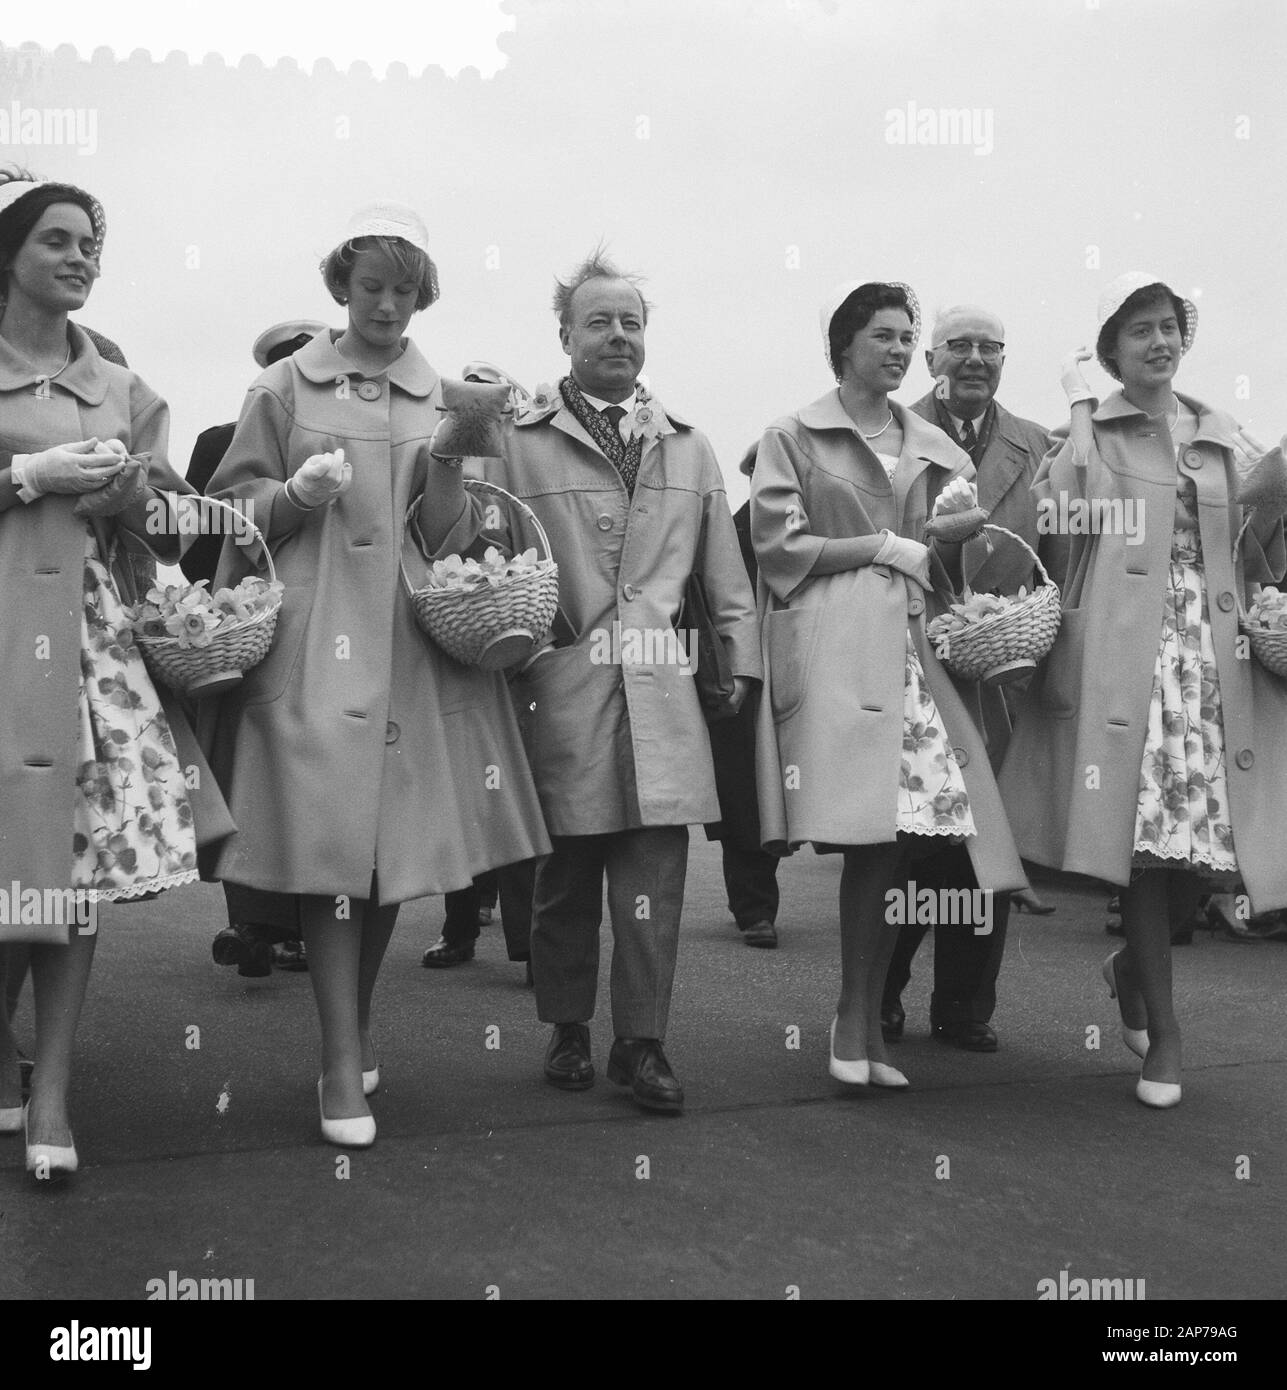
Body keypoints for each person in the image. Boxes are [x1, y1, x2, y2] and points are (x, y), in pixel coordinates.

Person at [203, 203, 550, 1147]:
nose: (388, 305)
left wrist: (450, 453)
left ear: (422, 294)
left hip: (406, 644)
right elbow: (231, 513)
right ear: (341, 287)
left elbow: (446, 536)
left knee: (387, 863)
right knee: (331, 858)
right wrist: (289, 495)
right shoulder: (282, 385)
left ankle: (347, 1046)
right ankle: (339, 1058)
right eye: (372, 287)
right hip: (314, 642)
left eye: (405, 289)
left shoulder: (447, 394)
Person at [998, 272, 1287, 1108]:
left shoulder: (1221, 435)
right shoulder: (1089, 434)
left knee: (1212, 845)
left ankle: (1131, 966)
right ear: (1111, 352)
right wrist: (1084, 411)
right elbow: (1059, 521)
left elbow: (1256, 539)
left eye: (1167, 327)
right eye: (1139, 332)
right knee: (1150, 854)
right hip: (1131, 654)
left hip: (1216, 654)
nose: (1158, 342)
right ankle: (1165, 1036)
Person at [481, 250, 761, 1113]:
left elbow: (725, 569)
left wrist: (739, 657)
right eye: (596, 321)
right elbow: (482, 556)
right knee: (565, 874)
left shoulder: (688, 441)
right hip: (557, 681)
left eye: (629, 322)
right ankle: (567, 1027)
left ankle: (641, 1044)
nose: (615, 336)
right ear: (564, 335)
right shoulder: (515, 438)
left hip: (661, 687)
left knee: (654, 877)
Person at [0, 170, 233, 1177]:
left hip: (87, 647)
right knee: (13, 858)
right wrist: (20, 476)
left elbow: (165, 522)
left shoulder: (122, 386)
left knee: (75, 871)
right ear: (9, 254)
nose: (80, 258)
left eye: (91, 244)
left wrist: (147, 499)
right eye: (57, 240)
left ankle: (51, 1089)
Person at [752, 280, 1027, 1089]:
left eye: (908, 336)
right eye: (883, 335)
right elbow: (778, 546)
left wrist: (947, 539)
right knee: (864, 842)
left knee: (897, 848)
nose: (901, 349)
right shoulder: (791, 433)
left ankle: (860, 1023)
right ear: (843, 346)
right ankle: (852, 1023)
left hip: (912, 659)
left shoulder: (938, 451)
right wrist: (882, 544)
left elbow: (943, 569)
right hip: (835, 652)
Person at [881, 304, 1060, 1052]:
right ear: (930, 359)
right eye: (959, 346)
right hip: (916, 665)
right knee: (912, 839)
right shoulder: (890, 435)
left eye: (991, 347)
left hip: (1001, 666)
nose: (975, 360)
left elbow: (1054, 551)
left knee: (985, 841)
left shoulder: (1039, 448)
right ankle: (879, 993)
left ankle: (963, 1005)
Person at [182, 318, 328, 977]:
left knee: (304, 767)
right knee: (254, 765)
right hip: (246, 624)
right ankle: (254, 922)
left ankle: (283, 924)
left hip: (322, 623)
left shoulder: (341, 435)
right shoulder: (221, 440)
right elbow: (195, 538)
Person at [704, 444, 781, 948]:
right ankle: (754, 908)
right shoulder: (730, 533)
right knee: (745, 795)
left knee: (774, 792)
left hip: (796, 672)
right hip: (744, 674)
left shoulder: (805, 529)